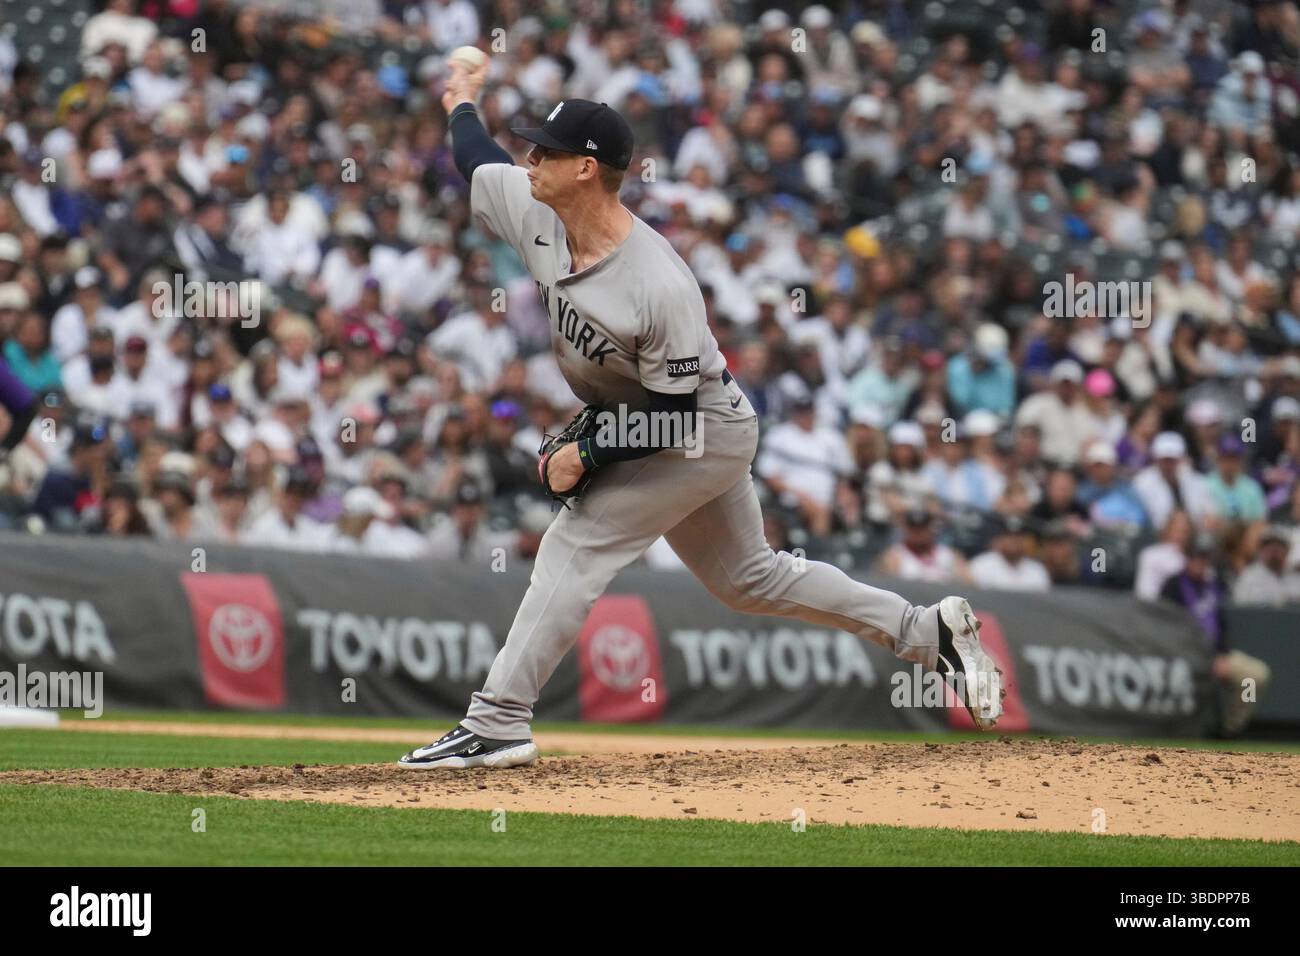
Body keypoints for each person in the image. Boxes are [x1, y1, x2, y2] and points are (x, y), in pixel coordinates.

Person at [399, 66, 1004, 770]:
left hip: (696, 428)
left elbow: (673, 416)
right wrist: (461, 100)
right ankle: (930, 634)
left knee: (578, 540)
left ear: (586, 169)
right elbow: (478, 160)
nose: (531, 160)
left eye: (548, 151)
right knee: (752, 579)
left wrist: (587, 453)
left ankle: (498, 719)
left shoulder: (658, 282)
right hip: (651, 415)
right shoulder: (536, 208)